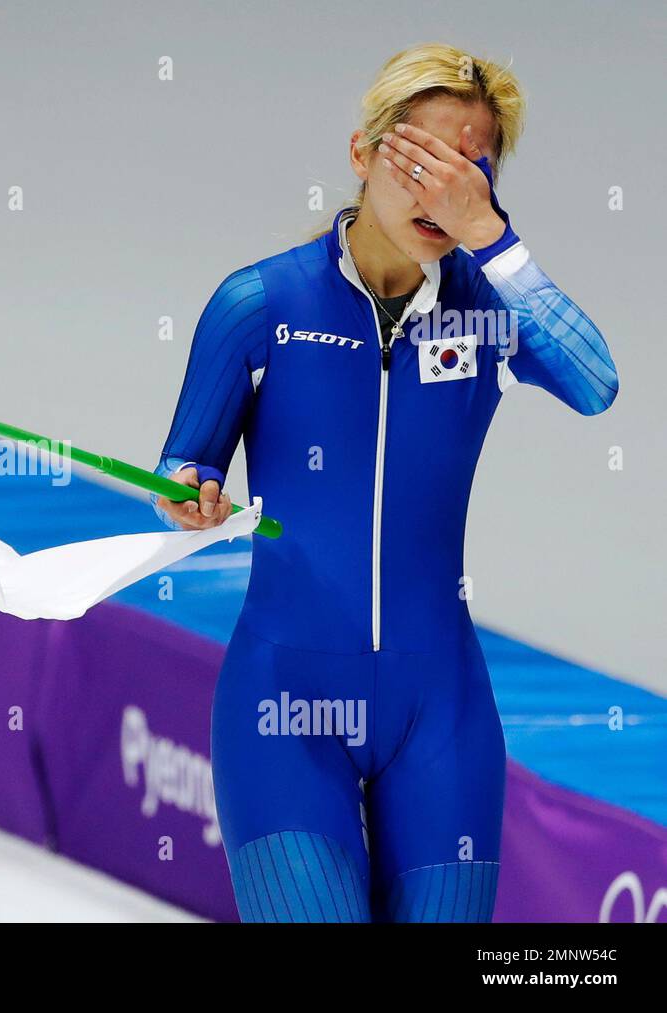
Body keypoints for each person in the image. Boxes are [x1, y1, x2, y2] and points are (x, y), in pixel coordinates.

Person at [153, 43, 617, 922]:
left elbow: (596, 384)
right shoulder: (261, 304)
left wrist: (495, 238)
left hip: (440, 712)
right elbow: (186, 461)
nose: (439, 194)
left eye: (466, 173)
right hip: (283, 710)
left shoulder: (485, 311)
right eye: (419, 161)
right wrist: (185, 489)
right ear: (363, 154)